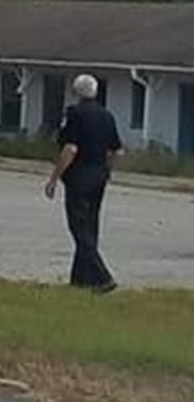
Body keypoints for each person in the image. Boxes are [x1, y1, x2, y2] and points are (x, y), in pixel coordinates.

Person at [44, 73, 122, 292]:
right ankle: (80, 281)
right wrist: (108, 171)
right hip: (99, 175)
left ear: (76, 92)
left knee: (78, 227)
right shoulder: (107, 115)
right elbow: (116, 150)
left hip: (79, 176)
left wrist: (54, 178)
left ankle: (102, 276)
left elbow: (70, 149)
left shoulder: (74, 115)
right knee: (90, 226)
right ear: (95, 92)